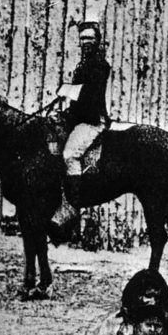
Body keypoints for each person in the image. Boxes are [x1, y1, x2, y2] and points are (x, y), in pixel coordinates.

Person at [50, 21, 112, 231]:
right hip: (79, 118)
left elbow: (89, 96)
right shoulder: (82, 66)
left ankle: (73, 207)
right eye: (83, 38)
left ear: (97, 41)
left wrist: (67, 90)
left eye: (90, 38)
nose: (86, 42)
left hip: (92, 120)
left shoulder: (100, 66)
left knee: (70, 154)